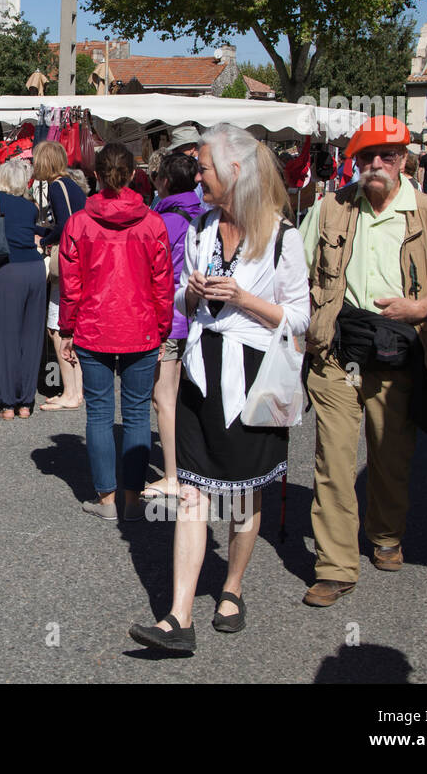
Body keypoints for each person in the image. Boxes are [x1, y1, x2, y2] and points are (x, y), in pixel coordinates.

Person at [128, 125, 308, 653]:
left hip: (255, 377)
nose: (197, 174)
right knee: (192, 492)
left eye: (203, 166)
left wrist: (245, 299)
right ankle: (178, 617)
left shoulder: (282, 236)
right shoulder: (202, 226)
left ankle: (231, 588)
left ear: (234, 172)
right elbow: (186, 304)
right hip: (203, 371)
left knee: (245, 492)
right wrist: (192, 296)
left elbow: (299, 318)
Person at [299, 116, 427, 608]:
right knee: (333, 460)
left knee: (390, 455)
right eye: (367, 157)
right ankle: (334, 567)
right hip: (338, 350)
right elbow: (296, 269)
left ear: (403, 161)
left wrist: (419, 309)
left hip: (399, 352)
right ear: (353, 162)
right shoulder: (329, 209)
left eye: (387, 156)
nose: (376, 165)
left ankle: (386, 533)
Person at [58, 144, 172, 523]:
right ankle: (132, 499)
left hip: (95, 326)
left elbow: (70, 285)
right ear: (133, 173)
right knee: (138, 413)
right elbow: (163, 283)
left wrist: (67, 327)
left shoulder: (79, 223)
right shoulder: (152, 223)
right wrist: (163, 327)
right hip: (139, 326)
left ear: (96, 174)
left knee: (101, 412)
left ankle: (107, 500)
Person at [143, 151, 204, 500]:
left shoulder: (164, 221)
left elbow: (152, 271)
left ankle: (172, 475)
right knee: (181, 396)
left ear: (164, 181)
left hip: (169, 317)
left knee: (163, 398)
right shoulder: (203, 215)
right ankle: (185, 468)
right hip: (196, 316)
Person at [0, 157, 47, 419]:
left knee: (6, 337)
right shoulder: (30, 207)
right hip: (36, 270)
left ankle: (7, 404)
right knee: (31, 337)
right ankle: (25, 403)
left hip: (8, 269)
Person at [32, 140, 87, 412]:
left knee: (57, 327)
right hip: (83, 262)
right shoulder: (71, 184)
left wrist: (44, 240)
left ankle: (69, 392)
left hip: (68, 264)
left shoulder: (56, 186)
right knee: (72, 329)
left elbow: (66, 224)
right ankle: (76, 391)